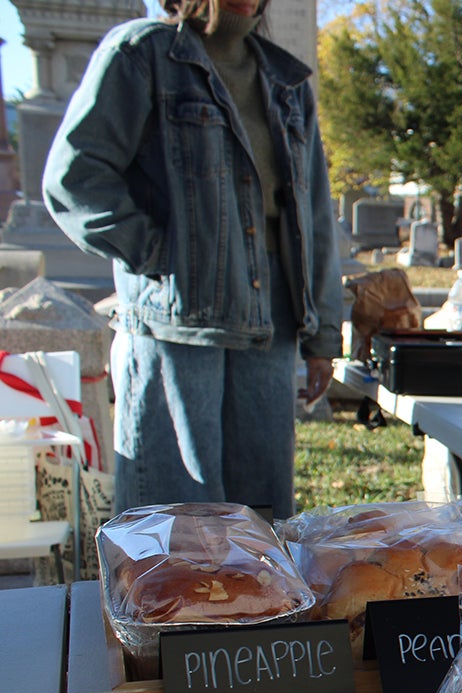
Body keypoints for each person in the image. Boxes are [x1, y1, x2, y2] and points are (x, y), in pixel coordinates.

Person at [43, 0, 342, 519]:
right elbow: (75, 179)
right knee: (174, 528)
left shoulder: (286, 81)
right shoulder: (142, 55)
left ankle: (260, 606)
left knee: (261, 525)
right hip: (176, 322)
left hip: (271, 321)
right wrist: (160, 255)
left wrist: (322, 336)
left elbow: (313, 213)